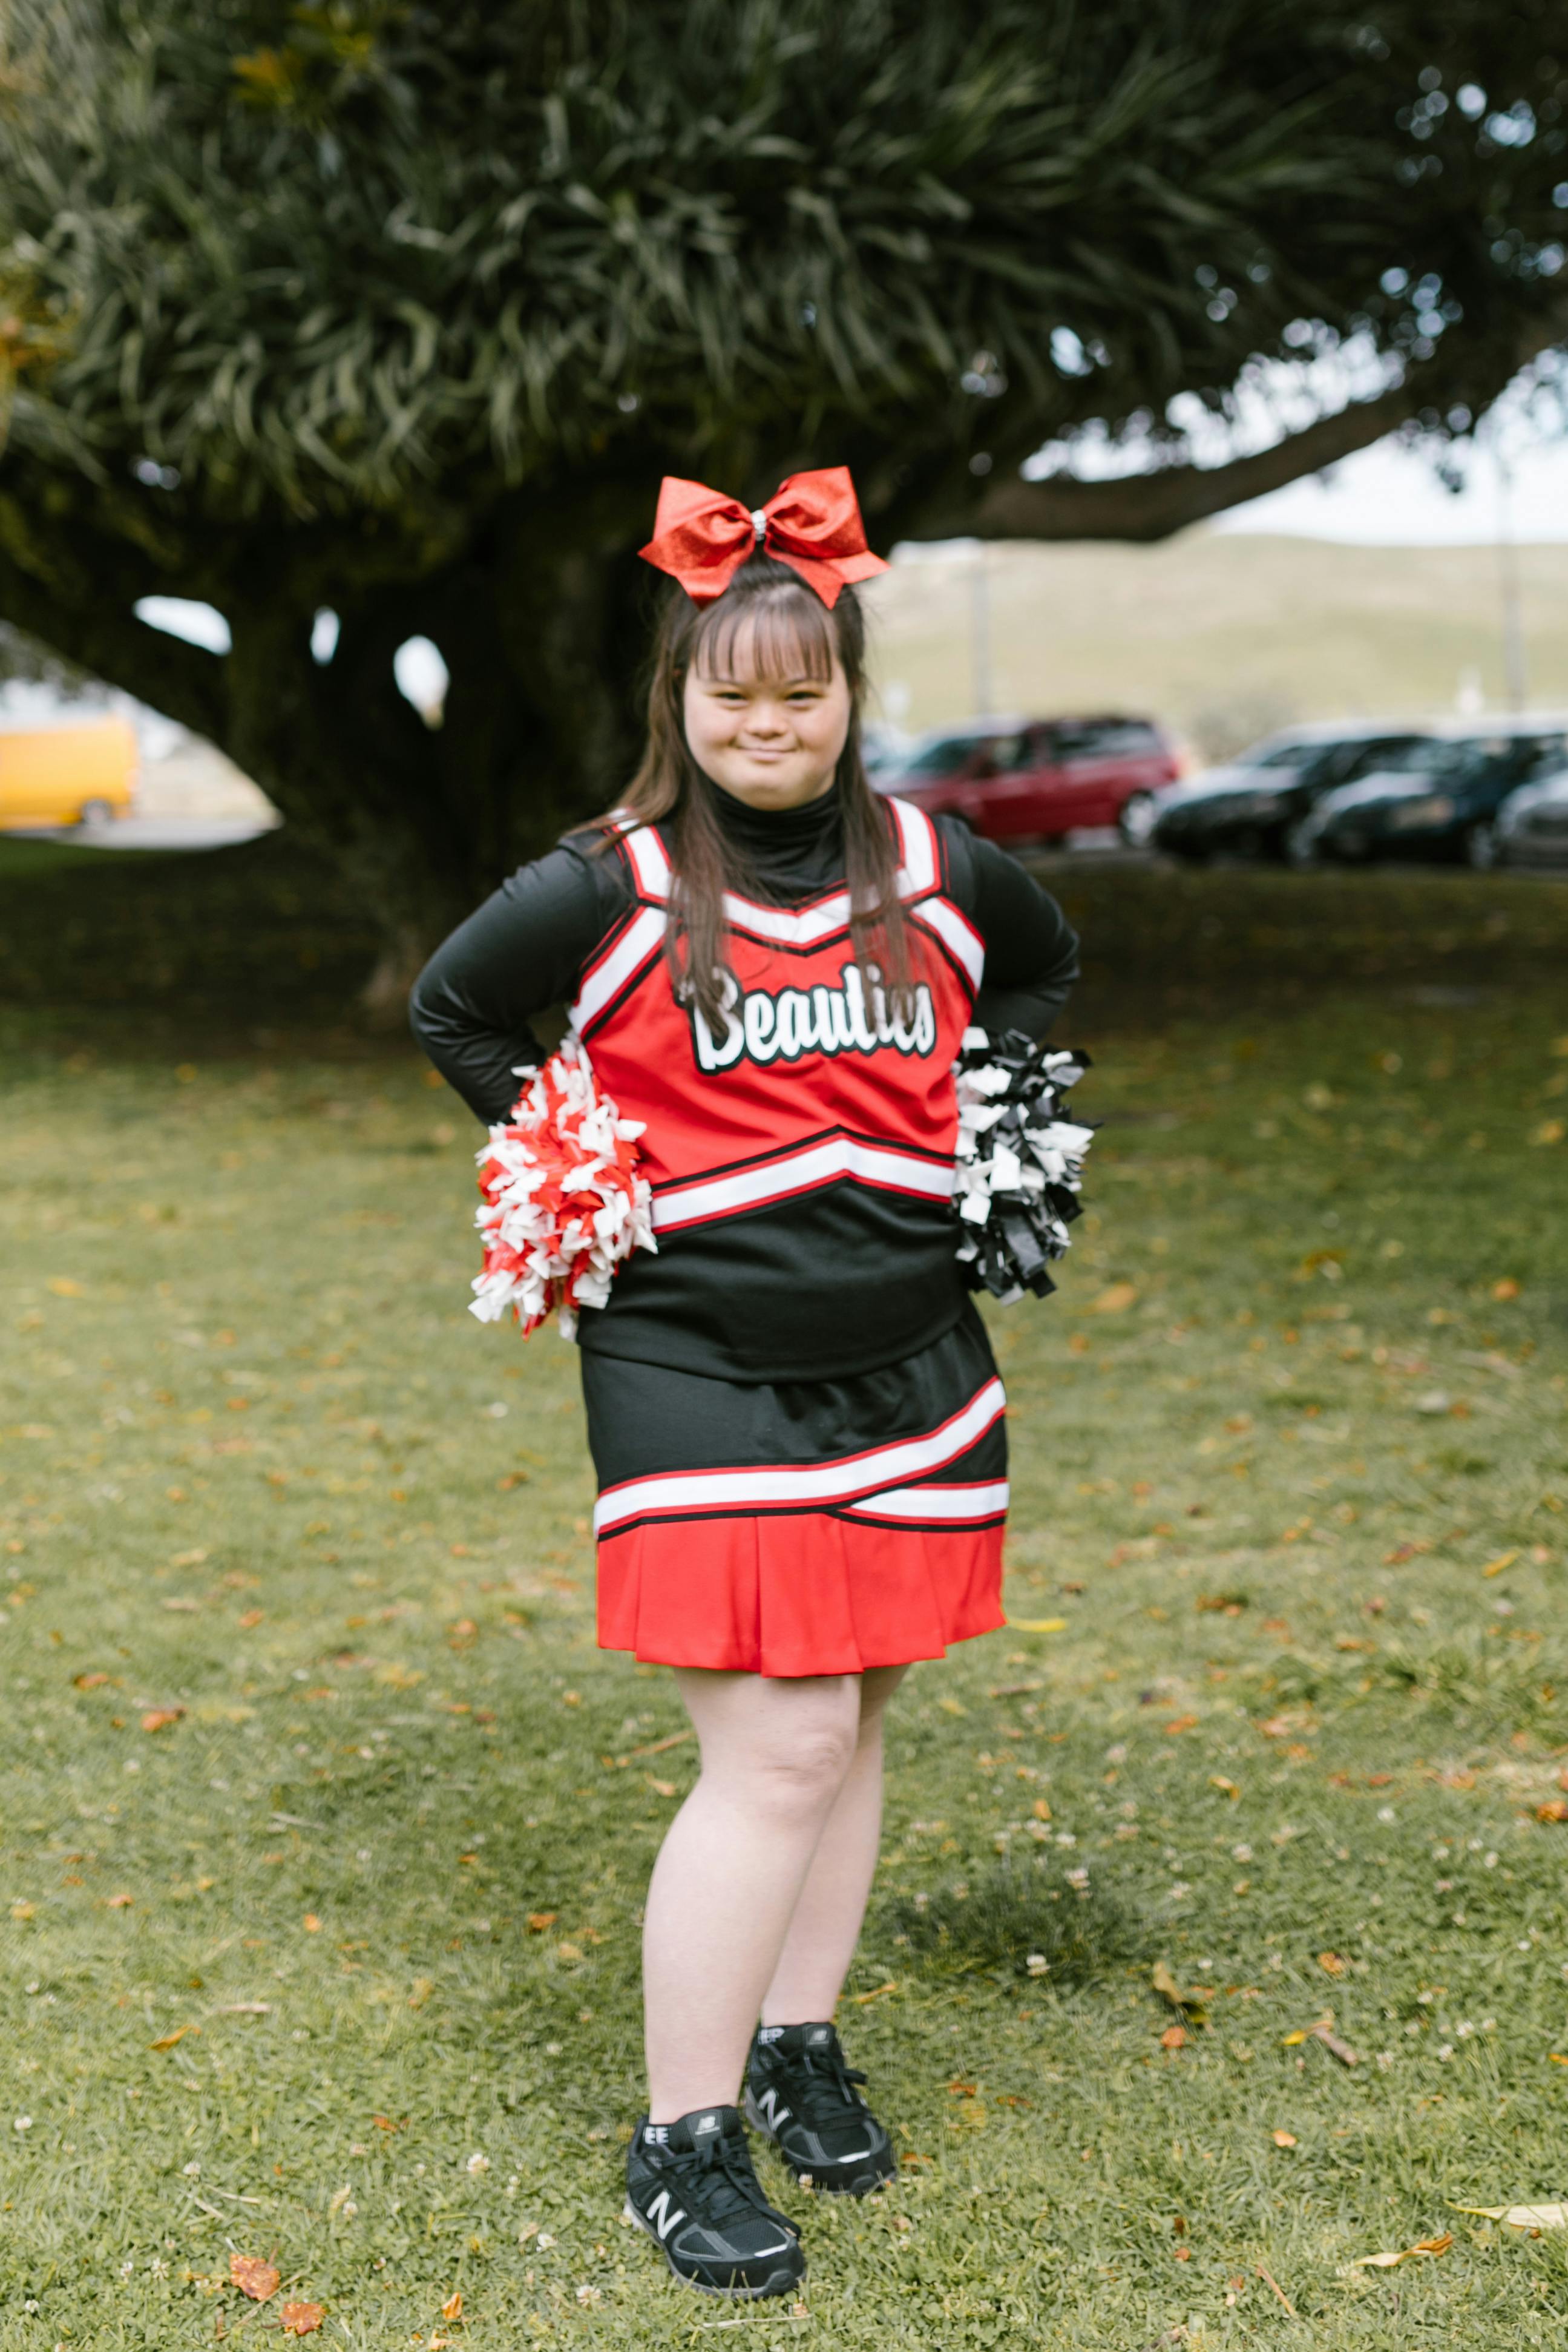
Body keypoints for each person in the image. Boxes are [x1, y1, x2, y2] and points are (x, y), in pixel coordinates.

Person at [410, 469, 1078, 2301]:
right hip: (694, 1363)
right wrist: (569, 1167)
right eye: (731, 697)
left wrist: (1002, 1141)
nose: (767, 726)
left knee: (849, 1710)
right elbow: (457, 1012)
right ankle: (681, 2134)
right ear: (678, 707)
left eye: (802, 694)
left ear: (849, 693)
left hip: (914, 1362)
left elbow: (1039, 972)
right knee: (775, 1738)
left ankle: (799, 2040)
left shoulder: (941, 871)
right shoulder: (605, 884)